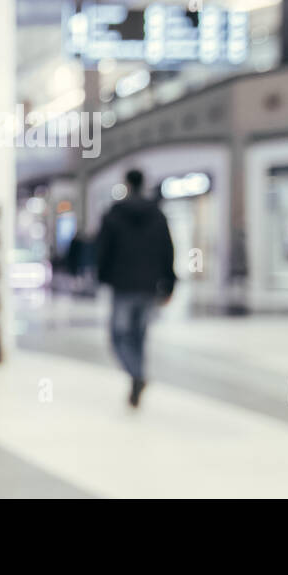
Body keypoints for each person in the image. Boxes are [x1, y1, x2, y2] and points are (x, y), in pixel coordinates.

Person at [94, 169, 176, 408]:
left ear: (127, 184)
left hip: (123, 285)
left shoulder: (114, 214)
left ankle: (136, 375)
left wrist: (103, 277)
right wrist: (169, 282)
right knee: (138, 337)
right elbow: (167, 249)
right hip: (149, 285)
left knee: (119, 337)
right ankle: (137, 376)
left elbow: (103, 250)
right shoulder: (157, 215)